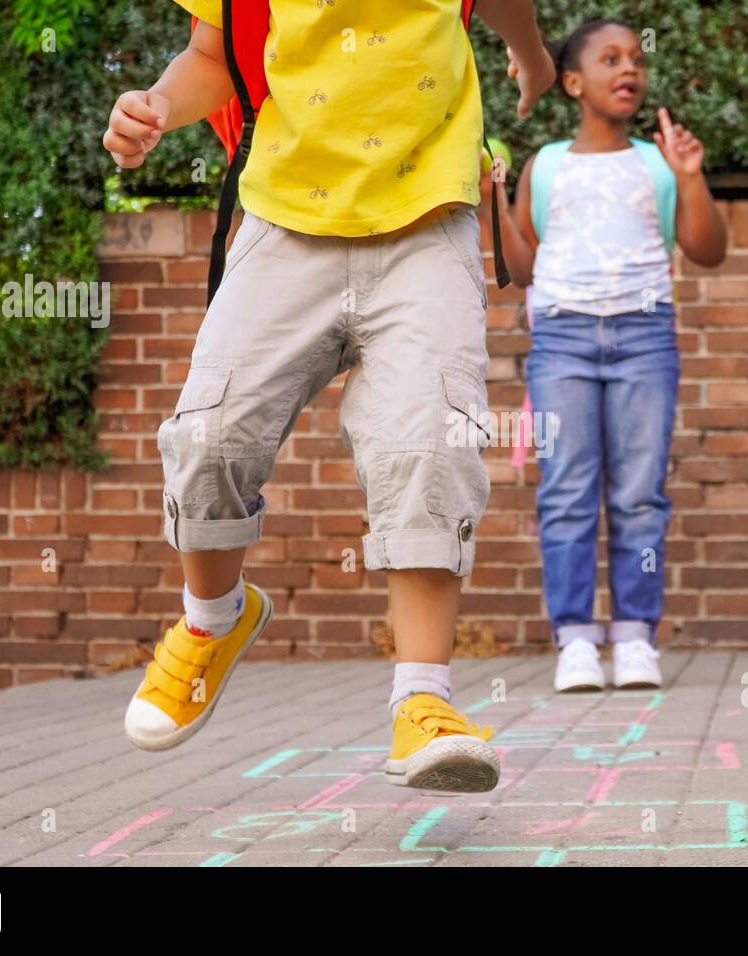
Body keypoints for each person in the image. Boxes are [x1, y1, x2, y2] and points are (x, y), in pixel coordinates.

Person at [101, 0, 554, 791]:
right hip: (283, 220)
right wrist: (158, 106)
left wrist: (533, 54)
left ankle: (423, 702)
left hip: (427, 218)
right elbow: (211, 56)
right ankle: (215, 618)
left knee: (428, 446)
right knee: (208, 437)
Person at [482, 18, 726, 691]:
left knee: (639, 496)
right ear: (571, 81)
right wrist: (496, 206)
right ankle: (575, 640)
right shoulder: (548, 164)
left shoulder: (656, 161)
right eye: (610, 59)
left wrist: (692, 176)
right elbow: (524, 268)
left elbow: (708, 250)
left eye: (636, 60)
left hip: (644, 340)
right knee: (566, 495)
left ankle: (636, 637)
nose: (629, 69)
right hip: (562, 342)